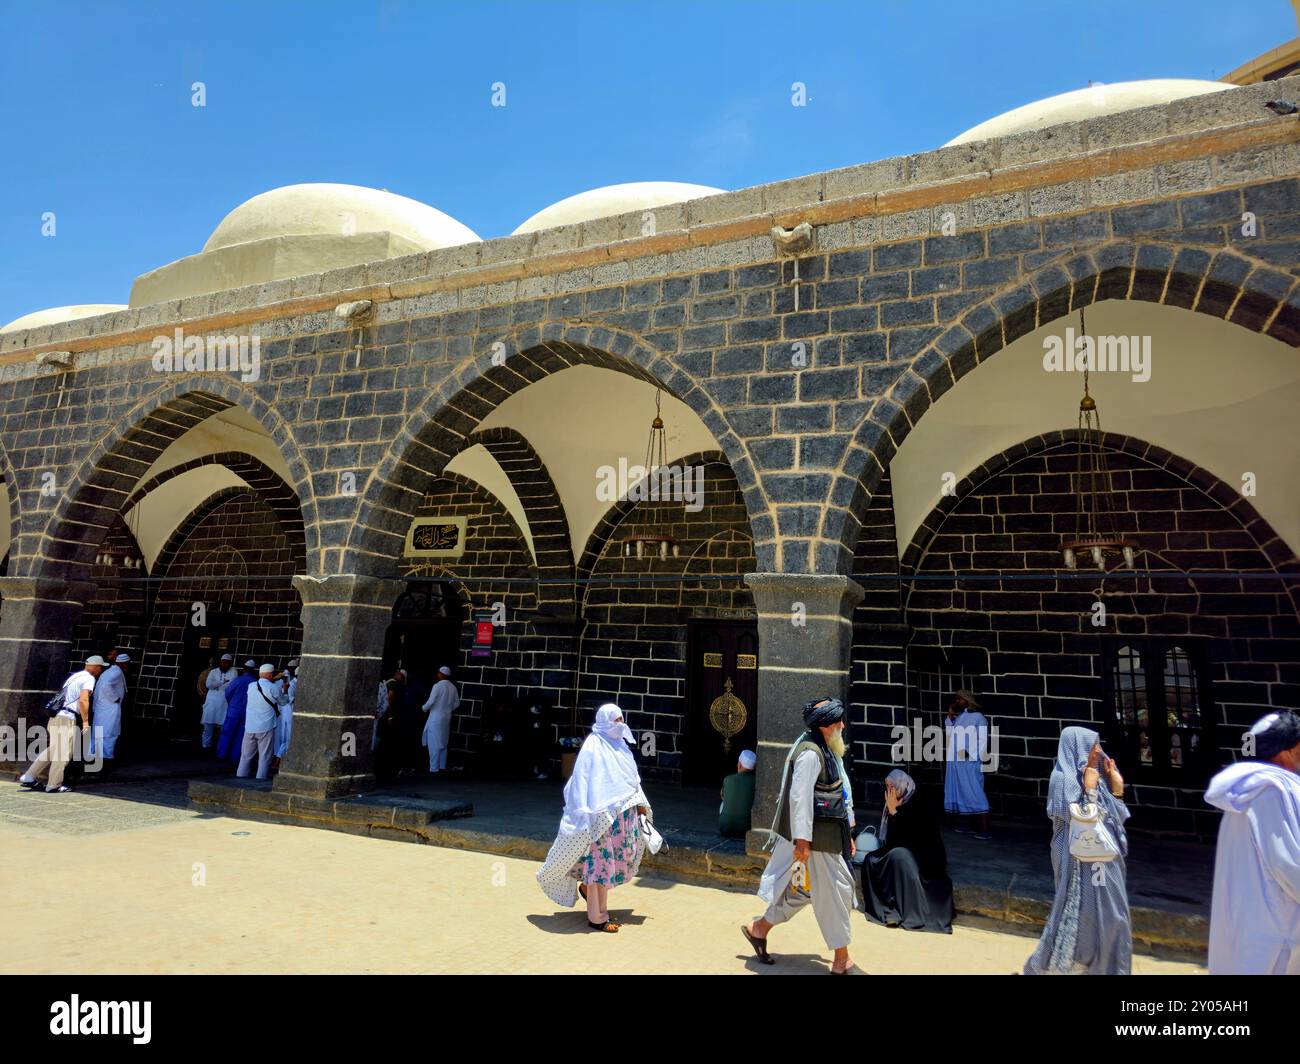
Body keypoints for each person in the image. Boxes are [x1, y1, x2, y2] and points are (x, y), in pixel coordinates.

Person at [742, 697, 859, 974]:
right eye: (838, 721)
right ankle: (842, 959)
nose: (843, 725)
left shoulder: (826, 749)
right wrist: (803, 843)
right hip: (813, 843)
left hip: (826, 839)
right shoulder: (810, 753)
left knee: (801, 890)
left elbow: (837, 794)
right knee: (836, 891)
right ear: (826, 725)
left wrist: (847, 834)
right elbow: (800, 799)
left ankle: (758, 928)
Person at [1024, 726, 1131, 975]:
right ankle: (1070, 966)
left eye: (1097, 744)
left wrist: (1116, 789)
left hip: (1104, 860)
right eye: (1091, 745)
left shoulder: (1095, 777)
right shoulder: (1064, 778)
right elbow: (1076, 820)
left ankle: (1105, 966)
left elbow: (1115, 820)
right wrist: (1090, 789)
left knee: (1113, 915)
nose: (1097, 750)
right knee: (1083, 914)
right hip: (1077, 860)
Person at [536, 704, 652, 932]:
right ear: (604, 721)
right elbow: (581, 783)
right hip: (601, 820)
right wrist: (584, 815)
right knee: (600, 865)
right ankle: (597, 917)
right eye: (615, 720)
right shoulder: (593, 746)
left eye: (621, 719)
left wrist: (640, 805)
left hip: (621, 819)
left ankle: (590, 893)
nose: (620, 725)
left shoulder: (621, 746)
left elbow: (631, 779)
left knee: (612, 864)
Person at [1205, 711, 1300, 974]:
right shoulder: (1273, 790)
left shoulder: (1247, 789)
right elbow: (1288, 863)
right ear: (1286, 750)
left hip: (1252, 915)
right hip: (1278, 920)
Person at [860, 769, 954, 934]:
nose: (891, 792)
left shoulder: (920, 802)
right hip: (904, 851)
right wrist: (893, 812)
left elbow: (913, 839)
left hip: (925, 857)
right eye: (887, 787)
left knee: (899, 857)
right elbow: (893, 841)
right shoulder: (895, 803)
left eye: (893, 787)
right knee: (870, 860)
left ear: (902, 785)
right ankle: (888, 909)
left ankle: (903, 911)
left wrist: (895, 812)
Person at [19, 655, 106, 793]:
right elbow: (84, 700)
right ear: (95, 666)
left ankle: (29, 776)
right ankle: (53, 785)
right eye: (100, 667)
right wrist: (85, 722)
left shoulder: (74, 677)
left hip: (56, 718)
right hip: (67, 719)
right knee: (62, 753)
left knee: (53, 749)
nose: (101, 670)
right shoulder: (89, 678)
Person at [944, 689, 991, 839]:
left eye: (959, 699)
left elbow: (982, 740)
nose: (957, 701)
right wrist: (950, 717)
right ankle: (967, 826)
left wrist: (969, 753)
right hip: (957, 762)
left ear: (967, 700)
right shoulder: (961, 717)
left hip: (969, 762)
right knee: (962, 793)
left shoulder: (978, 717)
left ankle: (983, 831)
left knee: (974, 793)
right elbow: (951, 736)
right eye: (956, 699)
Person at [238, 664, 288, 780]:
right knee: (264, 757)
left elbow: (264, 685)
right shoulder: (273, 687)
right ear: (270, 674)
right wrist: (285, 691)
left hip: (250, 727)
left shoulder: (251, 686)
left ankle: (239, 778)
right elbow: (283, 702)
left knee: (245, 757)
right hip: (266, 727)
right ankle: (260, 780)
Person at [86, 652, 129, 772]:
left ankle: (93, 757)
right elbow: (105, 686)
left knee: (99, 733)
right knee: (110, 734)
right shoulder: (117, 672)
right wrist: (116, 699)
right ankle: (106, 760)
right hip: (109, 708)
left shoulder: (108, 671)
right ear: (124, 664)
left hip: (102, 708)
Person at [421, 665, 460, 774]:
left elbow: (431, 701)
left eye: (438, 672)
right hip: (446, 718)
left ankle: (434, 769)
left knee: (434, 743)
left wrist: (423, 708)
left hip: (436, 717)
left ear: (442, 674)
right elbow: (457, 703)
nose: (437, 674)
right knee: (443, 742)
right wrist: (447, 709)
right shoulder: (453, 687)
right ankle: (442, 766)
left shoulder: (437, 686)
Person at [217, 660, 257, 763]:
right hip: (247, 713)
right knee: (241, 736)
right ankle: (235, 757)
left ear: (244, 669)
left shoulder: (238, 680)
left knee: (227, 733)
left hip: (234, 711)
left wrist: (232, 703)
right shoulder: (255, 682)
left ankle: (222, 755)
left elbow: (228, 692)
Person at [201, 653, 237, 751]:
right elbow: (208, 685)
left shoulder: (233, 671)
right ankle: (205, 746)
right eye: (223, 662)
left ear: (230, 663)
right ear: (220, 662)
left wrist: (216, 685)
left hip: (224, 703)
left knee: (223, 727)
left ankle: (219, 748)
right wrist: (222, 682)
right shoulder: (213, 672)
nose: (224, 664)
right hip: (212, 702)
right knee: (208, 726)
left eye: (227, 662)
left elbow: (231, 685)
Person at [719, 749, 757, 839]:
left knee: (723, 802)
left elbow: (723, 796)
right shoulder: (756, 782)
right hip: (746, 830)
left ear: (739, 764)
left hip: (725, 829)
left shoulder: (728, 779)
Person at [273, 659, 298, 770]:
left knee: (286, 740)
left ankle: (278, 762)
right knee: (286, 740)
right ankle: (277, 763)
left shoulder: (294, 683)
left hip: (288, 715)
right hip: (287, 715)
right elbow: (286, 700)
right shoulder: (292, 685)